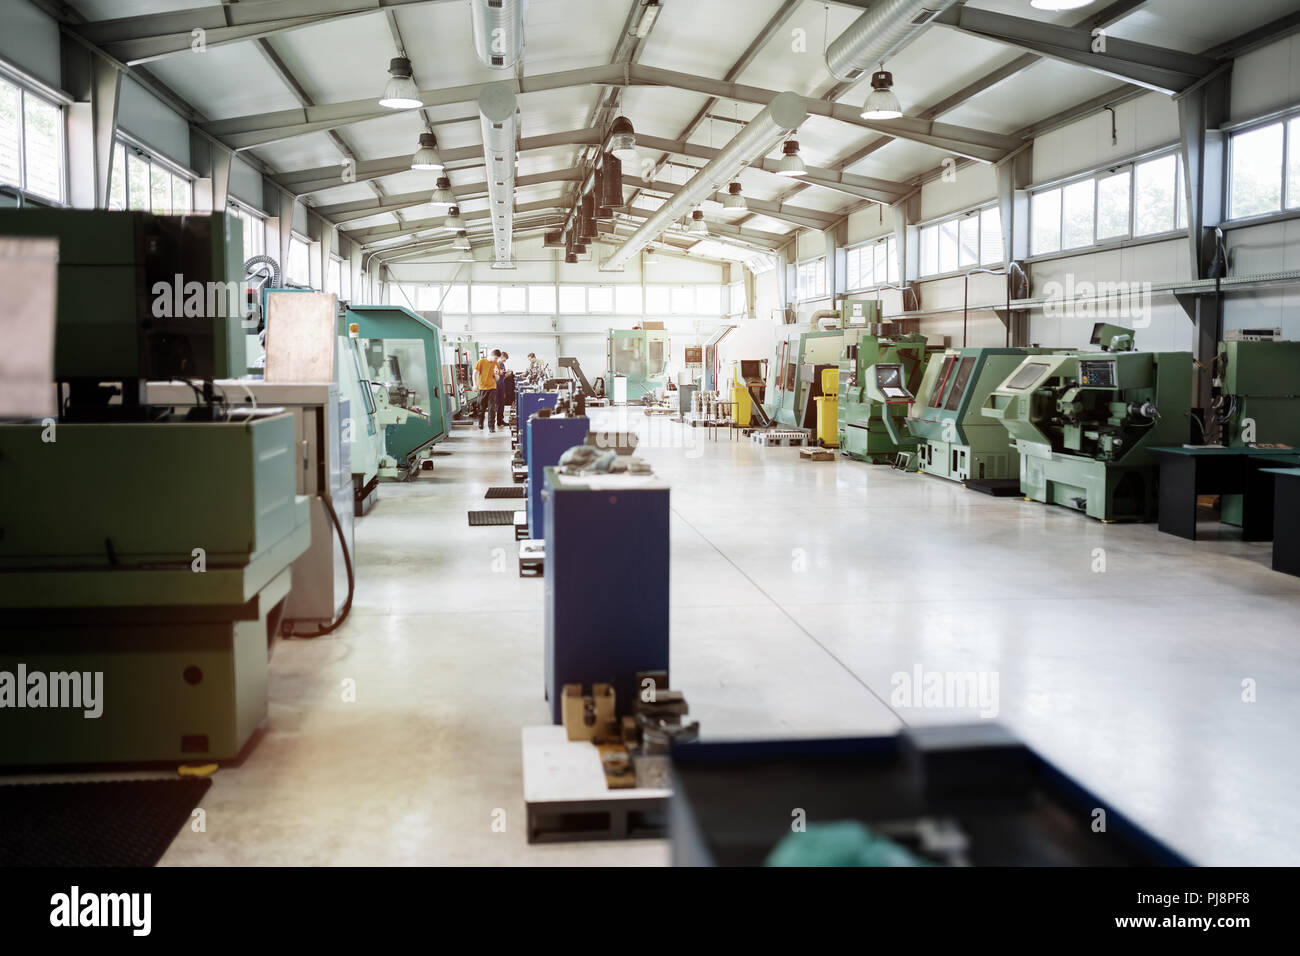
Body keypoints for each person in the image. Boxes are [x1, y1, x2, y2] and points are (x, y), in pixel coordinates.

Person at [473, 348, 500, 432]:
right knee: (481, 408)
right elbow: (474, 373)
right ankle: (480, 423)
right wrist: (475, 384)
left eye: (497, 359)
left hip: (492, 388)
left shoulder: (496, 364)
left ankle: (491, 427)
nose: (496, 360)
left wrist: (496, 374)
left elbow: (497, 379)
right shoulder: (481, 362)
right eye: (495, 358)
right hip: (482, 388)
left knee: (492, 409)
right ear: (491, 355)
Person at [495, 352, 511, 428]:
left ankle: (500, 420)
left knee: (502, 403)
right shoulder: (495, 364)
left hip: (501, 385)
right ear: (501, 357)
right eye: (504, 360)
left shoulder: (502, 365)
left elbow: (503, 377)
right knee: (497, 404)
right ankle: (494, 422)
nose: (504, 361)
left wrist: (507, 374)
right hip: (496, 386)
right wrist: (498, 373)